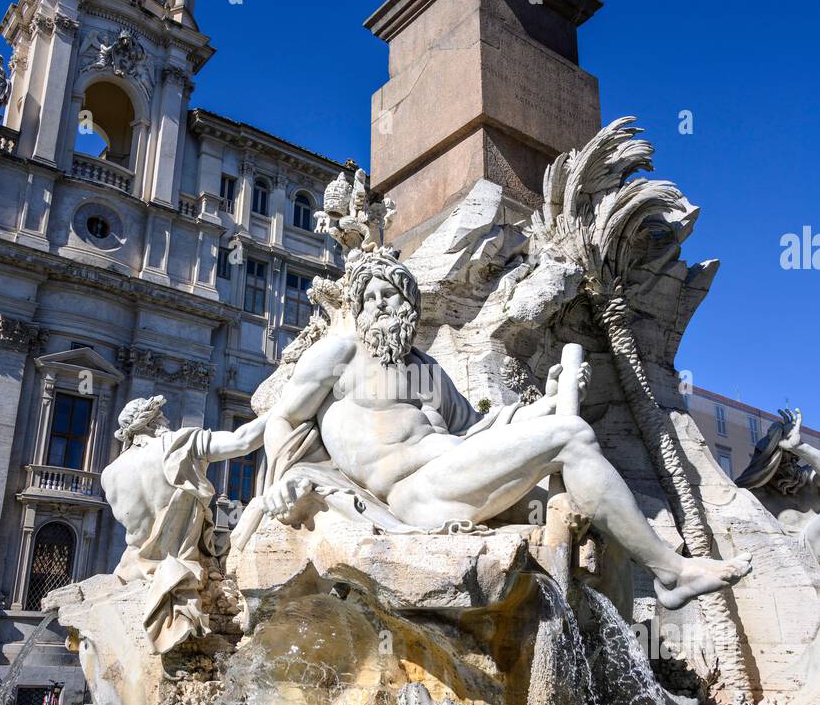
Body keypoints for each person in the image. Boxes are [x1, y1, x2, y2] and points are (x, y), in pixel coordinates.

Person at [250, 247, 751, 611]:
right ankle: (671, 572)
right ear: (358, 310)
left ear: (409, 303)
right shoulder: (341, 355)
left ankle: (659, 577)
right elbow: (285, 418)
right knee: (571, 437)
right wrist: (284, 483)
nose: (381, 304)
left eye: (391, 294)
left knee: (573, 451)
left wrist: (551, 398)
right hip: (411, 494)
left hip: (453, 473)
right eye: (371, 298)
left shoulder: (427, 369)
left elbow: (482, 428)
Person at [101, 396, 266, 652]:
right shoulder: (178, 445)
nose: (167, 420)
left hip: (135, 575)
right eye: (162, 415)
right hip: (183, 574)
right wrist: (288, 404)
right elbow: (243, 441)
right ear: (153, 421)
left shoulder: (109, 474)